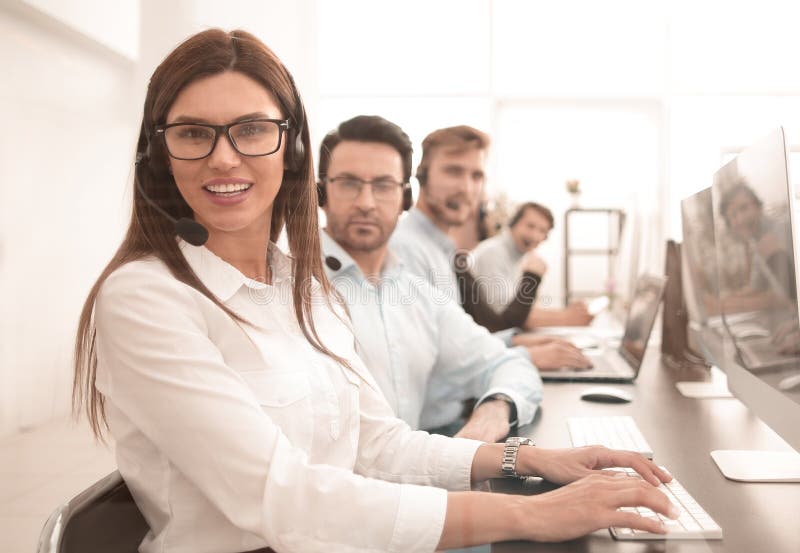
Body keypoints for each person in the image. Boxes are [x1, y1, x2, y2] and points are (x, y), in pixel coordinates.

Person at [72, 29, 677, 553]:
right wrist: (532, 512)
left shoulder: (301, 289)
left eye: (253, 130)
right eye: (193, 133)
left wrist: (528, 459)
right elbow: (284, 498)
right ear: (159, 157)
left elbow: (374, 440)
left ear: (292, 150)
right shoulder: (145, 299)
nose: (224, 158)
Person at [317, 115, 542, 443]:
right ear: (321, 193)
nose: (365, 203)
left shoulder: (410, 289)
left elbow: (507, 363)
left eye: (383, 185)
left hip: (425, 464)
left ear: (404, 198)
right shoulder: (291, 287)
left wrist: (496, 408)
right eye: (349, 183)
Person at [391, 126, 591, 370]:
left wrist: (517, 343)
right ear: (422, 175)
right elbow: (430, 362)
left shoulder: (443, 249)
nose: (466, 188)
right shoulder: (407, 248)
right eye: (453, 171)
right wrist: (525, 355)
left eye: (476, 176)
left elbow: (458, 341)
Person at [472, 202, 594, 327]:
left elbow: (524, 309)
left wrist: (568, 313)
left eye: (542, 231)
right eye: (530, 226)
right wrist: (565, 317)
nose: (535, 235)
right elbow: (508, 316)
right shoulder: (492, 253)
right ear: (513, 224)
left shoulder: (523, 258)